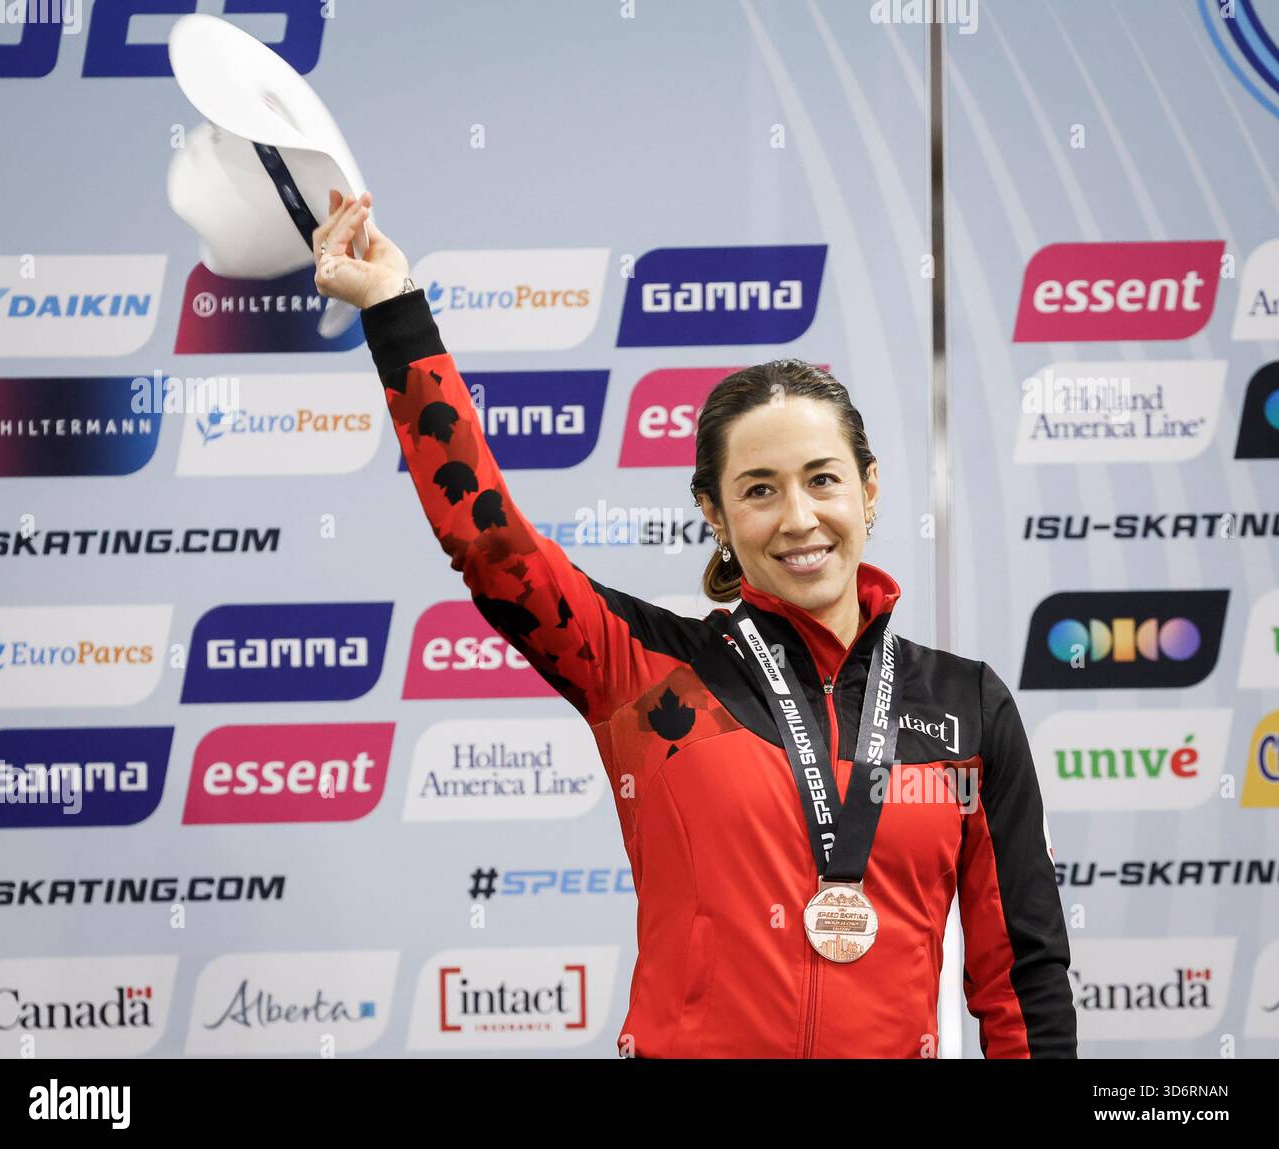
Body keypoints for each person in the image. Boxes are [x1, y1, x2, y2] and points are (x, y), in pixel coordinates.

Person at [313, 190, 1078, 1059]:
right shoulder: (642, 668)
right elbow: (493, 546)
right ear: (714, 513)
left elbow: (1023, 974)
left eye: (823, 479)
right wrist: (395, 312)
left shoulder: (968, 704)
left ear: (870, 488)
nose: (799, 517)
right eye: (759, 489)